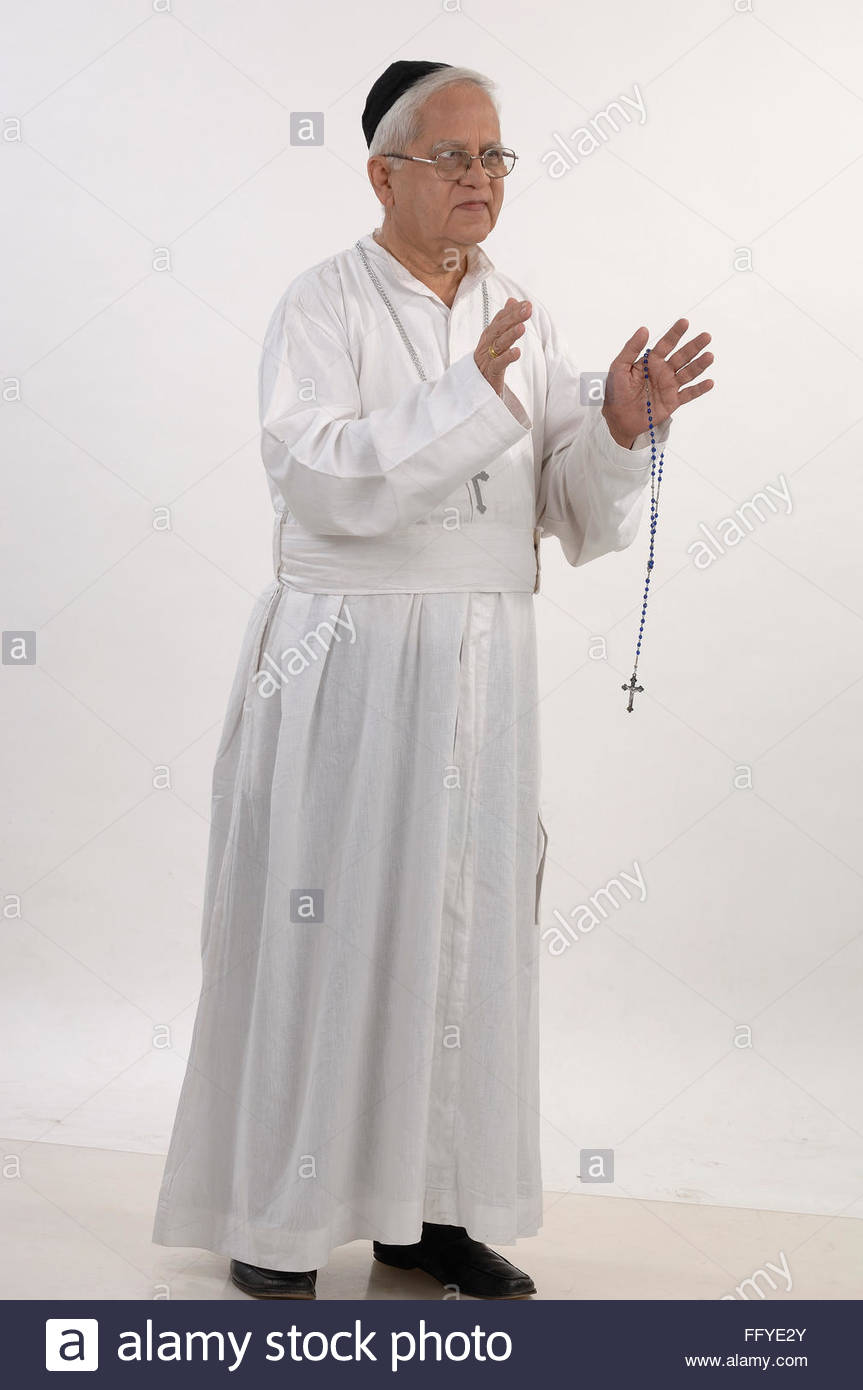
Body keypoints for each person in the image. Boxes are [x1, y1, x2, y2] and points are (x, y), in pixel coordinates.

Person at [151, 59, 714, 1301]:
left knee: (462, 939)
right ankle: (280, 1214)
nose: (478, 180)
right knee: (325, 926)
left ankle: (428, 1213)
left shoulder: (522, 307)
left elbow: (563, 508)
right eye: (452, 157)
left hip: (480, 664)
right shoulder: (321, 306)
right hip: (346, 658)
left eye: (494, 158)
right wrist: (467, 395)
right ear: (382, 173)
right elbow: (322, 479)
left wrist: (620, 427)